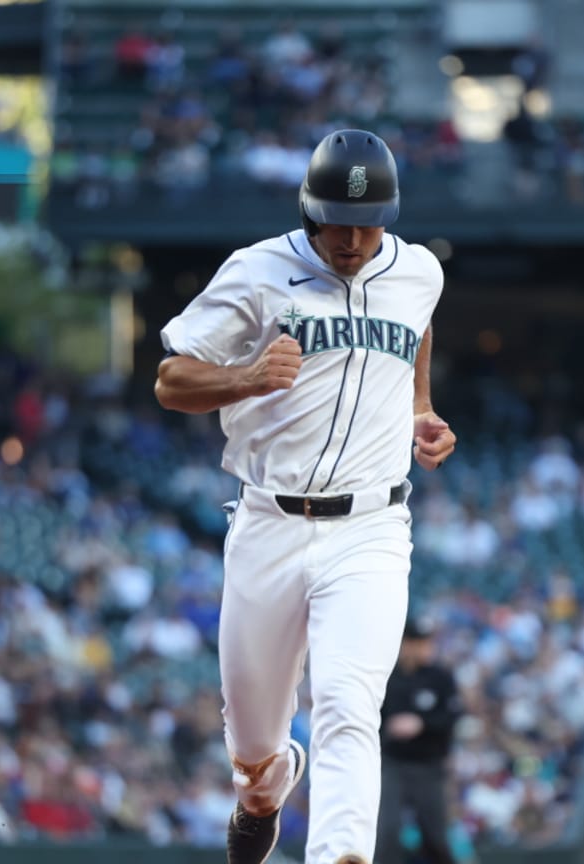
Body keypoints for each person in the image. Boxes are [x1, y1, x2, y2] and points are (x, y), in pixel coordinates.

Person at [155, 128, 457, 864]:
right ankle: (264, 785)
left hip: (372, 528)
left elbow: (416, 338)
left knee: (351, 709)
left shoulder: (417, 272)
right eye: (336, 220)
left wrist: (420, 410)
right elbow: (171, 380)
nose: (352, 238)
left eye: (367, 222)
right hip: (269, 522)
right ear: (308, 210)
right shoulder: (258, 271)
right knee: (256, 740)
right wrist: (246, 377)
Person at [377, 618, 461, 864]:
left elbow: (452, 717)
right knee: (387, 831)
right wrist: (389, 728)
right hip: (392, 764)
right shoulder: (388, 678)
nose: (425, 648)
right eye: (417, 642)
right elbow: (373, 719)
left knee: (435, 835)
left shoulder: (440, 678)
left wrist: (421, 723)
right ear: (404, 644)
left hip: (429, 766)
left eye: (427, 642)